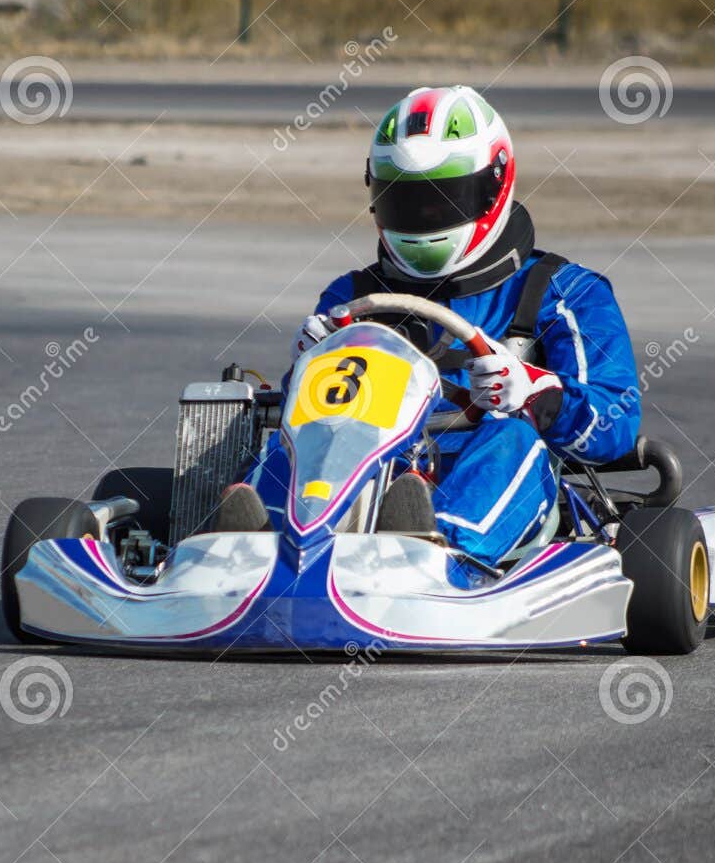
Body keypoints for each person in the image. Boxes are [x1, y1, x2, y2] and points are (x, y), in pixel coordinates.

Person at [234, 85, 640, 587]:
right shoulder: (353, 295)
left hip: (492, 473)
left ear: (494, 183)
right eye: (407, 200)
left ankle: (436, 558)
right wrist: (306, 368)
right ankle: (246, 555)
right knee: (298, 446)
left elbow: (616, 423)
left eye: (444, 198)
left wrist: (537, 392)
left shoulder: (562, 292)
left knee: (511, 438)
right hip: (371, 469)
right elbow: (315, 412)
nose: (426, 216)